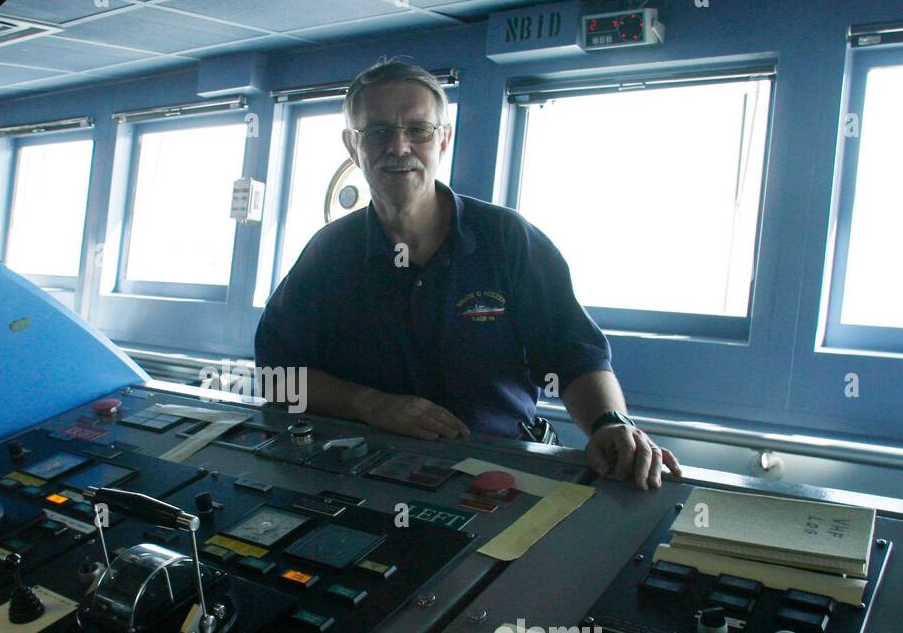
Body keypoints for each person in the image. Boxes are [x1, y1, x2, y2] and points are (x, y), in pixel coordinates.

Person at [255, 59, 680, 490]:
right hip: (363, 477)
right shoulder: (327, 255)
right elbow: (277, 376)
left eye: (418, 130)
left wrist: (609, 423)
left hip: (498, 474)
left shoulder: (508, 239)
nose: (399, 146)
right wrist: (369, 404)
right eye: (378, 131)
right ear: (353, 145)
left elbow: (575, 355)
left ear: (443, 141)